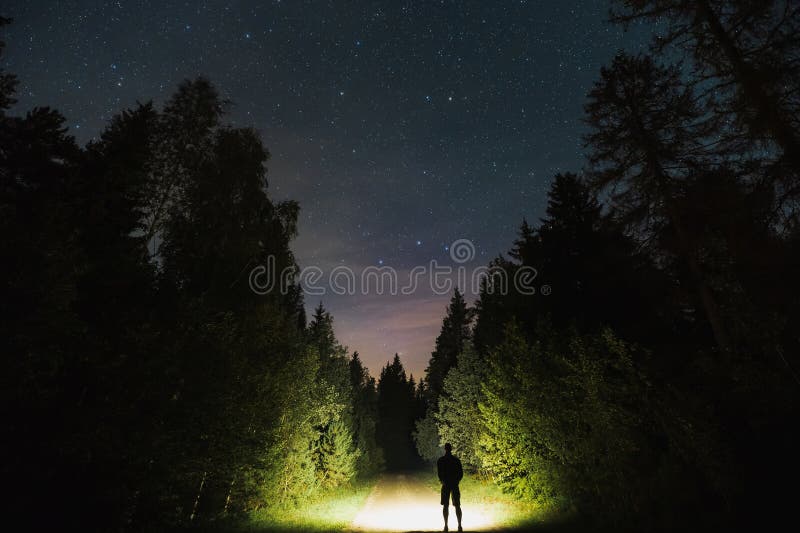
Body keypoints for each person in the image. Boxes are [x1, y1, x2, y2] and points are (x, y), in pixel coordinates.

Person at [437, 442, 463, 532]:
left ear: (445, 449)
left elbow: (439, 473)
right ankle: (459, 526)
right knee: (457, 505)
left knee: (445, 505)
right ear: (451, 449)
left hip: (446, 484)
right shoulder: (456, 460)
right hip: (454, 484)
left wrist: (443, 481)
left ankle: (446, 526)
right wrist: (457, 481)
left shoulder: (441, 460)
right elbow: (460, 473)